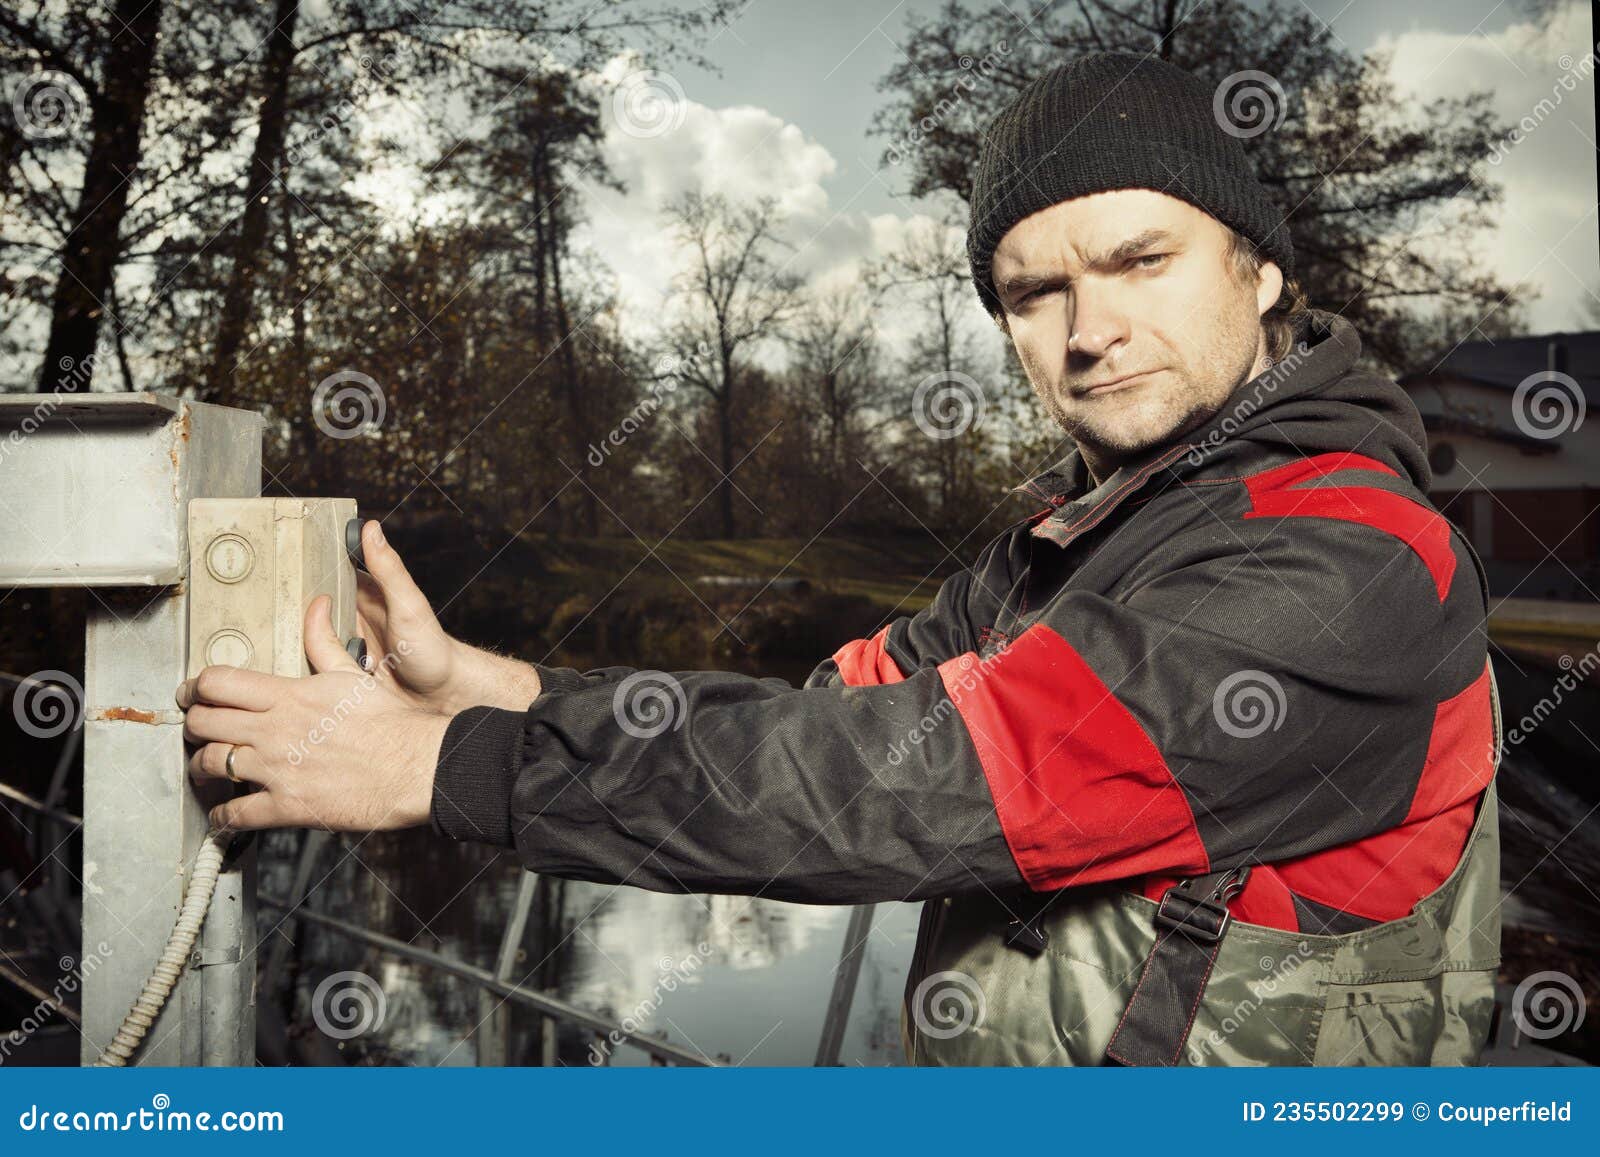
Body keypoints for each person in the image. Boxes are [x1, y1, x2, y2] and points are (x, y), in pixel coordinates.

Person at [176, 51, 1500, 1066]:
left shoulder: (1353, 559)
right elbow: (819, 724)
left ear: (1260, 271)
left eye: (1139, 260)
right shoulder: (1058, 547)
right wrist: (493, 691)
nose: (1088, 328)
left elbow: (905, 783)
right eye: (1033, 293)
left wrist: (441, 768)